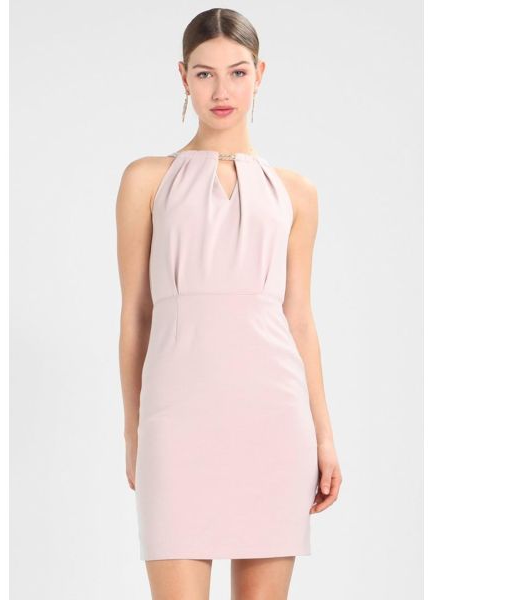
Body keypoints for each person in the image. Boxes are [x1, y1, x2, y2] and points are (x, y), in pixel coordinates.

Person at [115, 8, 342, 599]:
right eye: (205, 74)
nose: (222, 91)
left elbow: (299, 318)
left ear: (260, 74)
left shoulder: (296, 192)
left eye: (238, 73)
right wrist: (134, 432)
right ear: (183, 77)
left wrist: (323, 436)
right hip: (176, 421)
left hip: (274, 419)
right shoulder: (146, 179)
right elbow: (136, 315)